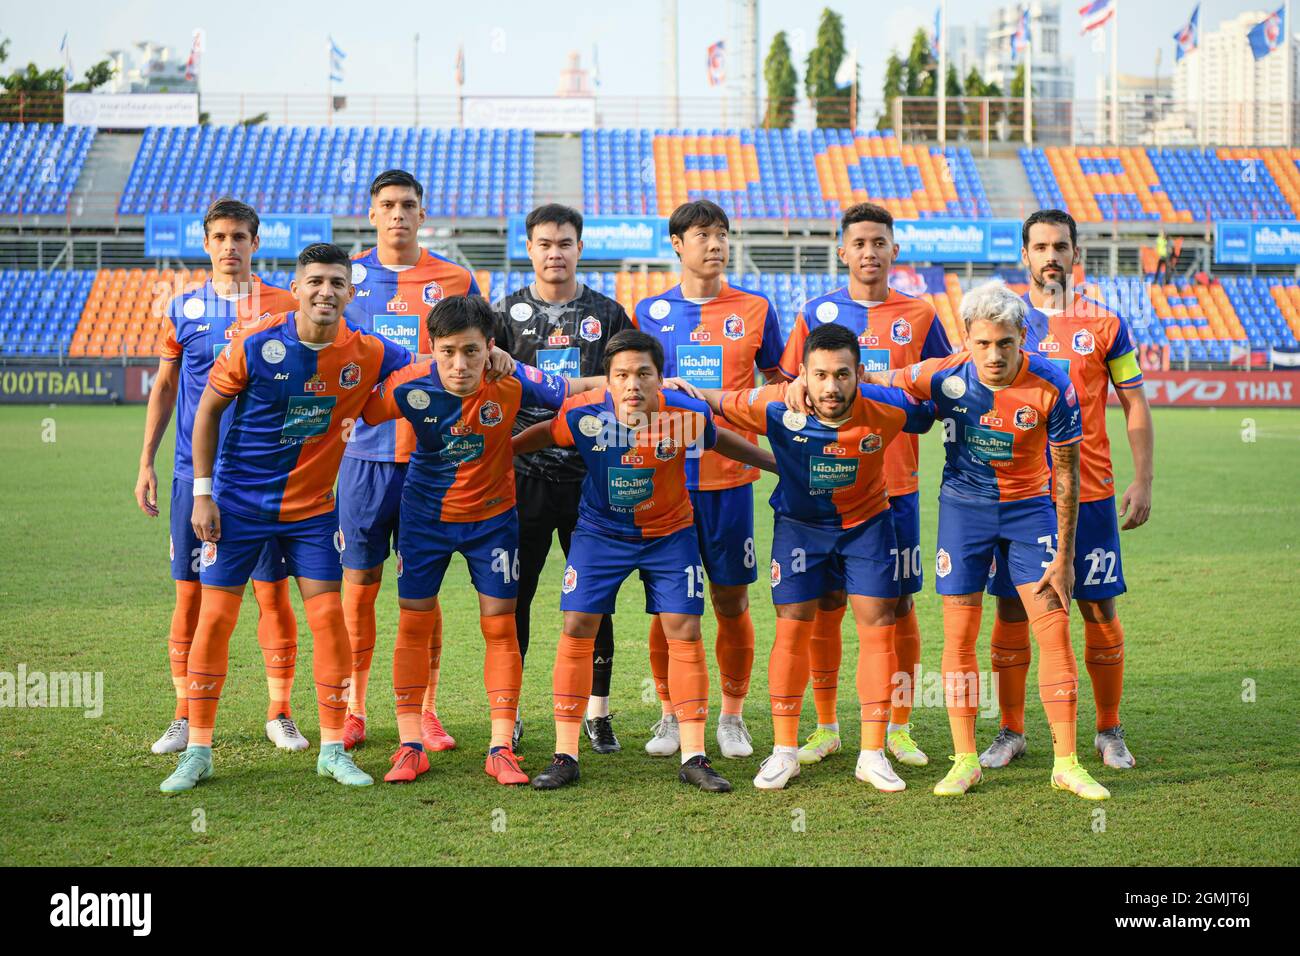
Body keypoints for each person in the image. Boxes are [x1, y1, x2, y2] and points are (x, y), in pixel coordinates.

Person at [158, 242, 411, 793]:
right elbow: (205, 415)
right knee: (216, 620)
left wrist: (491, 356)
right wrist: (203, 494)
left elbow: (432, 366)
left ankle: (332, 748)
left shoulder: (370, 352)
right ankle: (198, 751)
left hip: (314, 514)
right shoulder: (255, 345)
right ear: (296, 287)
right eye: (315, 280)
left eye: (337, 283)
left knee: (328, 620)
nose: (326, 291)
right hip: (238, 510)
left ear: (351, 292)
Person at [361, 295, 609, 785]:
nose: (460, 364)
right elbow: (361, 408)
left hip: (493, 522)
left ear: (490, 347)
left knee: (499, 627)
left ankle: (500, 747)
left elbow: (577, 389)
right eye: (448, 351)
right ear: (431, 348)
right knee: (413, 625)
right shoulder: (409, 385)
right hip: (424, 521)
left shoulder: (511, 380)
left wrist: (649, 382)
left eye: (471, 351)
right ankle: (410, 744)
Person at [512, 330, 775, 792]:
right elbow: (543, 435)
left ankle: (695, 756)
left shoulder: (685, 414)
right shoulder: (582, 412)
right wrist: (498, 452)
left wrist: (779, 465)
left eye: (643, 374)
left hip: (670, 534)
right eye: (621, 375)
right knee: (577, 625)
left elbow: (722, 440)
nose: (632, 384)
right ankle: (565, 754)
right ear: (608, 381)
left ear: (660, 379)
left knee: (685, 628)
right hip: (599, 533)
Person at [878, 280, 1108, 800]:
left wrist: (1067, 555)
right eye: (983, 344)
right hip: (963, 516)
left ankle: (1066, 762)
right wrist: (809, 383)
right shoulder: (942, 374)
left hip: (1032, 515)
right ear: (966, 338)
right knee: (959, 638)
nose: (994, 354)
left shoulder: (1054, 383)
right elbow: (875, 378)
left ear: (1022, 336)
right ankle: (964, 761)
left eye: (1005, 343)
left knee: (1052, 631)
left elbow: (1067, 474)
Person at [707, 323, 935, 791]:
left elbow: (932, 409)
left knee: (878, 624)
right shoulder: (773, 405)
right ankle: (784, 751)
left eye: (843, 375)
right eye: (821, 375)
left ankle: (872, 754)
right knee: (792, 627)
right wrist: (677, 387)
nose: (832, 386)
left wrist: (890, 381)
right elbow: (714, 400)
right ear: (803, 377)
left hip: (868, 527)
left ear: (859, 374)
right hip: (799, 529)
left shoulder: (885, 409)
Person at [778, 201, 952, 770]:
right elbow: (787, 391)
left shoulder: (920, 315)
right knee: (824, 604)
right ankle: (826, 726)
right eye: (859, 242)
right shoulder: (814, 313)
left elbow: (940, 391)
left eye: (880, 241)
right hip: (820, 493)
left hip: (893, 487)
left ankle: (897, 726)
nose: (869, 252)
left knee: (897, 606)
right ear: (842, 251)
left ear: (894, 249)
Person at [981, 209, 1153, 771]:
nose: (1051, 255)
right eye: (1040, 246)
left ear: (1076, 254)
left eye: (1061, 246)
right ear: (1024, 256)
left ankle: (1109, 730)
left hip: (1091, 493)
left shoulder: (1106, 325)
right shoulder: (1001, 318)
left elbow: (1134, 404)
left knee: (1098, 608)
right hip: (1017, 497)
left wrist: (1143, 478)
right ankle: (1011, 731)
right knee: (1011, 609)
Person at [134, 197, 305, 755]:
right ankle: (185, 713)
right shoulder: (184, 309)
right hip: (194, 479)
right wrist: (146, 464)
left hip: (266, 478)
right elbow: (164, 388)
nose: (230, 246)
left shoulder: (285, 306)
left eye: (240, 237)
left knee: (271, 597)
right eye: (220, 237)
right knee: (189, 600)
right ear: (205, 243)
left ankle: (279, 712)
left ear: (256, 243)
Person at [337, 169, 483, 754]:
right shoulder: (345, 278)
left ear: (423, 214)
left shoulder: (455, 277)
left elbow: (476, 360)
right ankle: (354, 707)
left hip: (432, 458)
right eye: (388, 204)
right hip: (363, 457)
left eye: (408, 205)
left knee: (421, 589)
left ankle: (426, 710)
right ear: (371, 213)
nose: (398, 213)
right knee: (360, 584)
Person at [634, 199, 785, 759]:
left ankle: (732, 715)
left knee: (730, 600)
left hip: (728, 480)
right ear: (677, 243)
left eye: (722, 234)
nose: (715, 243)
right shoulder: (648, 312)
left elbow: (780, 385)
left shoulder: (755, 308)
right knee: (666, 603)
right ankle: (672, 714)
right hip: (664, 478)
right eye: (702, 234)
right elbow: (629, 384)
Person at [491, 203, 635, 755]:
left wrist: (558, 384)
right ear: (529, 249)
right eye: (545, 243)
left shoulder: (608, 313)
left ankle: (598, 712)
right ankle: (515, 710)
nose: (555, 252)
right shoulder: (502, 314)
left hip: (591, 476)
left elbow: (628, 380)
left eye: (565, 243)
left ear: (580, 248)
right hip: (522, 472)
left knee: (595, 598)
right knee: (515, 595)